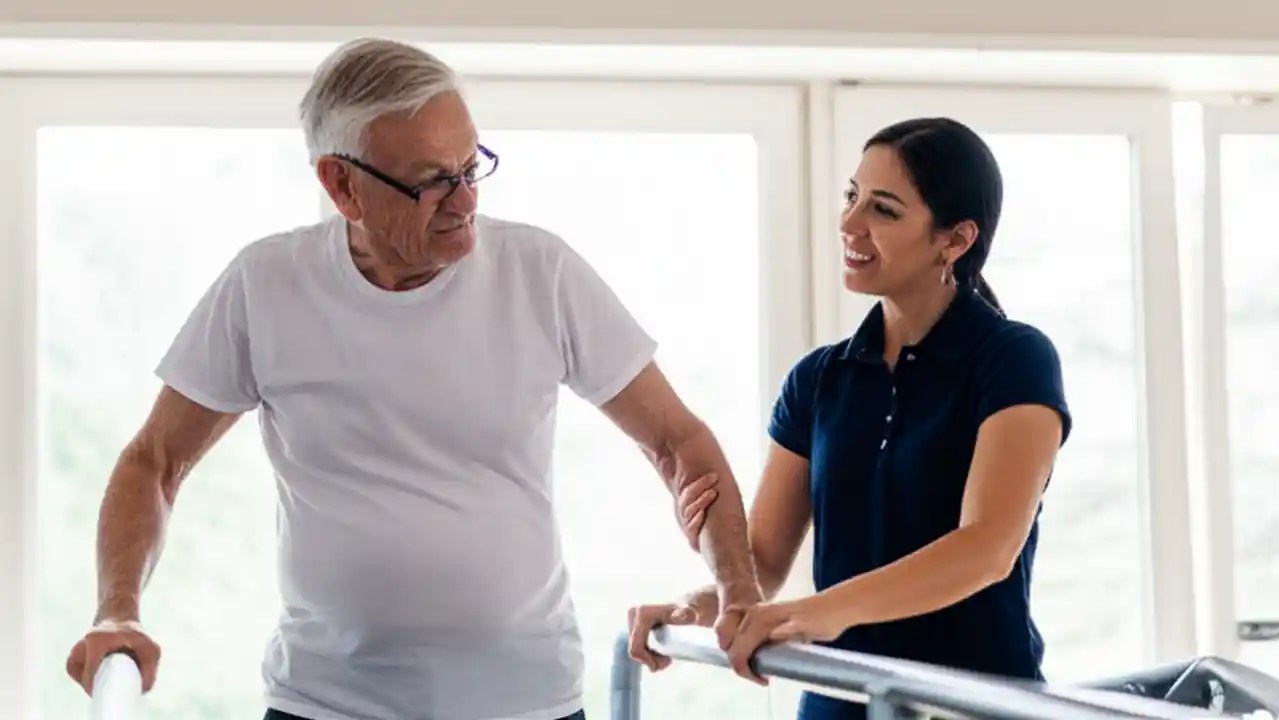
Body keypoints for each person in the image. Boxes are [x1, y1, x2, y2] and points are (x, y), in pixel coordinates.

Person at [64, 37, 763, 720]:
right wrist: (116, 612)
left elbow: (677, 441)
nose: (464, 203)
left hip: (528, 703)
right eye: (431, 182)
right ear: (342, 185)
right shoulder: (266, 285)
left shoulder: (539, 273)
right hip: (324, 705)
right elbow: (154, 461)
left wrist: (737, 592)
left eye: (471, 168)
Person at [628, 117, 1071, 719]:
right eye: (851, 196)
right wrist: (699, 607)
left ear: (955, 240)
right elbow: (762, 562)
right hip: (838, 701)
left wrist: (818, 612)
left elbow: (987, 547)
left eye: (883, 209)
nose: (849, 222)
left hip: (974, 705)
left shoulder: (1015, 358)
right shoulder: (817, 379)